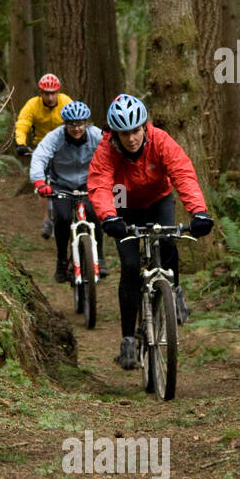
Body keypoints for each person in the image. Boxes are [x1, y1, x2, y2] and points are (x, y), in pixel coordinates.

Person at [87, 94, 214, 370]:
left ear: (144, 127)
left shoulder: (160, 141)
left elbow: (182, 173)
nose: (131, 138)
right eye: (124, 134)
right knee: (131, 267)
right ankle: (128, 341)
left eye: (135, 131)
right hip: (123, 205)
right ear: (115, 134)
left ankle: (174, 293)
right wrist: (109, 217)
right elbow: (100, 184)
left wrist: (199, 212)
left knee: (167, 242)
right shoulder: (106, 151)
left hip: (158, 199)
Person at [31, 101, 106, 284]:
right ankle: (61, 260)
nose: (76, 128)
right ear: (65, 124)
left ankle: (100, 257)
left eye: (80, 124)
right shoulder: (54, 137)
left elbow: (111, 154)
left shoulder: (96, 135)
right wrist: (39, 181)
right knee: (63, 217)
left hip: (88, 183)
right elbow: (39, 157)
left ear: (86, 123)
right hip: (61, 184)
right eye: (71, 124)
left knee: (94, 214)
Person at [14, 73, 72, 239]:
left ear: (58, 92)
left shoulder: (66, 102)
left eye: (53, 93)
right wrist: (20, 143)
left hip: (64, 147)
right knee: (43, 183)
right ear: (41, 93)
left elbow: (76, 120)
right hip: (42, 148)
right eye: (46, 94)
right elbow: (23, 123)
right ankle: (46, 219)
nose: (50, 97)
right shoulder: (33, 105)